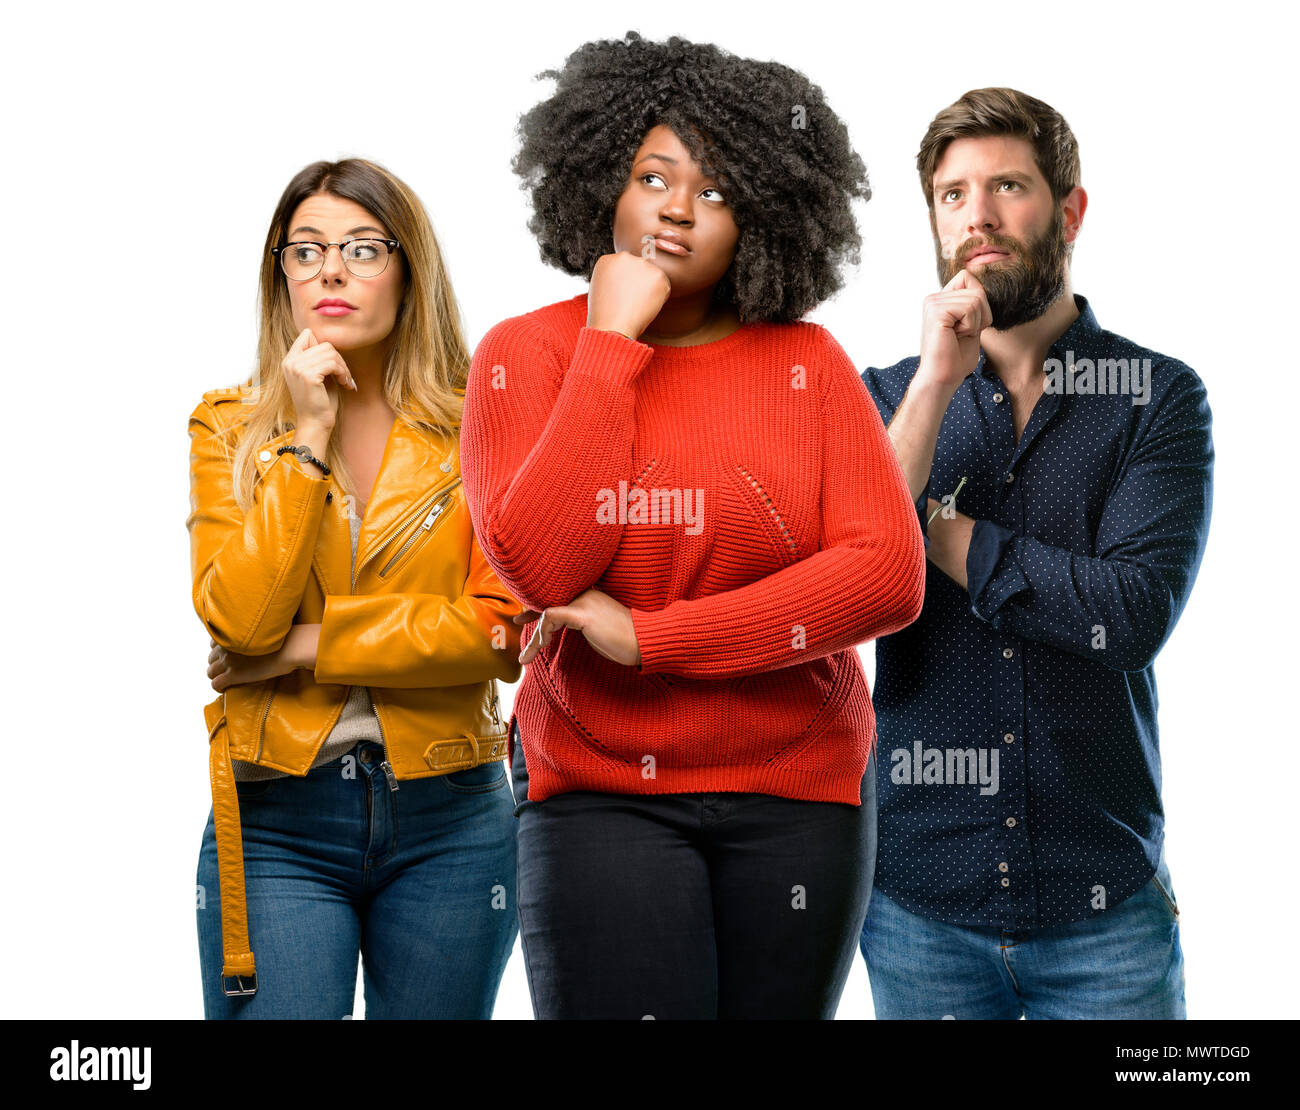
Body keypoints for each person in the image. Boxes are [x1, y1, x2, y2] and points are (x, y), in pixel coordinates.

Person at [460, 31, 925, 1019]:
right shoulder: (527, 355)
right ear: (599, 185)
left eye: (713, 191)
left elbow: (884, 574)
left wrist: (654, 638)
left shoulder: (809, 362)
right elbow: (545, 560)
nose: (676, 208)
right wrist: (610, 342)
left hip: (799, 796)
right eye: (652, 177)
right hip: (598, 791)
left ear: (761, 215)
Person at [858, 88, 1214, 1019]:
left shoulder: (1156, 396)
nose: (977, 215)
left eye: (1008, 186)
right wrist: (937, 381)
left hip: (1105, 911)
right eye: (951, 194)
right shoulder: (885, 398)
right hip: (917, 907)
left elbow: (1129, 615)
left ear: (1070, 210)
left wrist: (944, 534)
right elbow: (861, 583)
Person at [187, 157, 524, 1019]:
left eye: (363, 248)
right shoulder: (227, 427)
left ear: (410, 271)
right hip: (276, 815)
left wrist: (306, 646)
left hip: (453, 811)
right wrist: (305, 434)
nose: (330, 270)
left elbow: (495, 638)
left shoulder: (482, 424)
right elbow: (238, 618)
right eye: (305, 252)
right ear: (282, 277)